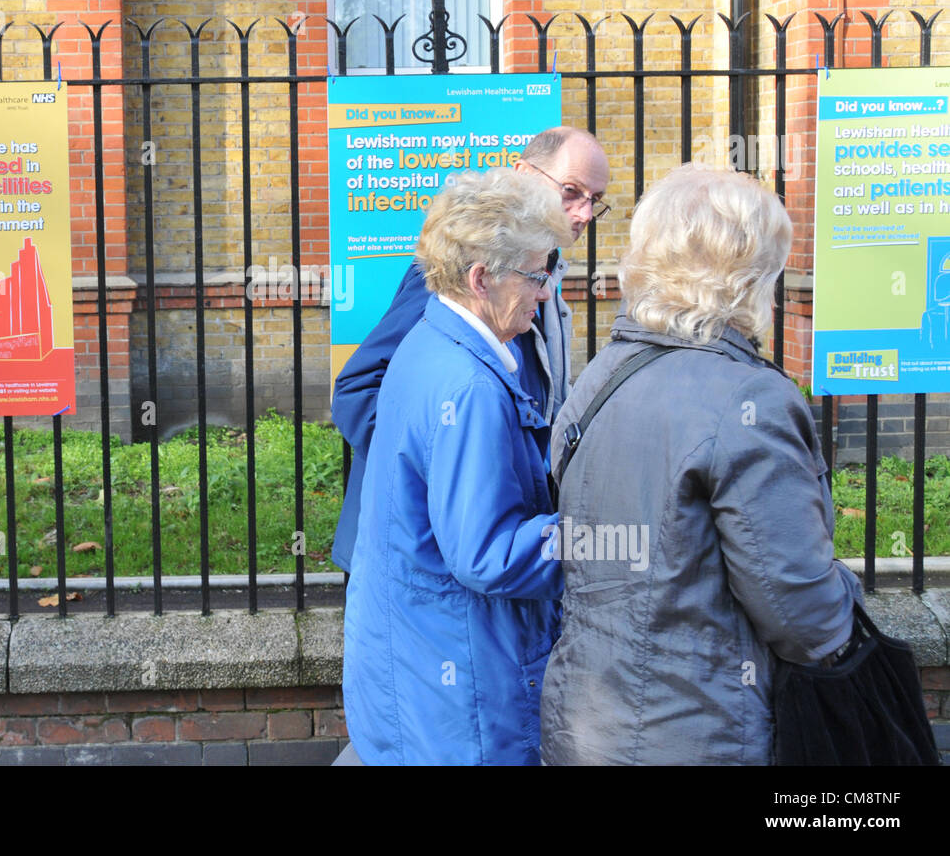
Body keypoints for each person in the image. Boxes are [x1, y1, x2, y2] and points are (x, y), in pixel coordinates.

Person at [540, 164, 861, 765]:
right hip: (699, 731)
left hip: (584, 721)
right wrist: (849, 598)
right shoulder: (749, 398)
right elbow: (797, 609)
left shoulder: (602, 376)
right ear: (748, 274)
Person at [342, 168, 573, 765]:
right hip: (462, 692)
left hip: (419, 670)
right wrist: (596, 538)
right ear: (481, 279)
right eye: (536, 273)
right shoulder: (471, 384)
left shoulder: (428, 342)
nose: (546, 290)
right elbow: (486, 555)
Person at [330, 126, 610, 572]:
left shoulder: (544, 273)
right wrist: (436, 483)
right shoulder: (464, 270)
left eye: (595, 200)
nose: (584, 212)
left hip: (484, 539)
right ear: (523, 172)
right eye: (572, 191)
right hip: (420, 554)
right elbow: (357, 390)